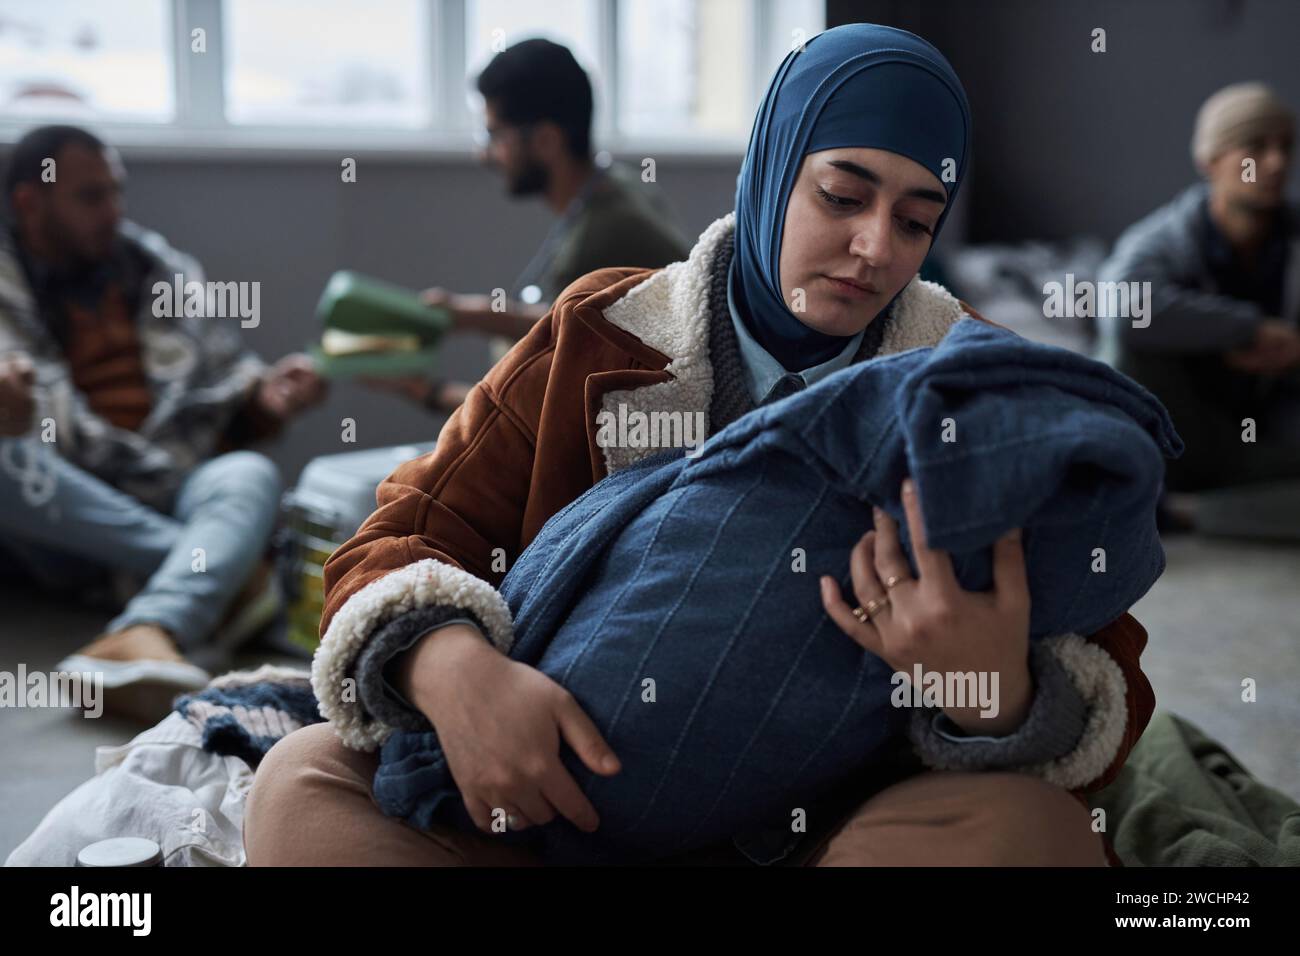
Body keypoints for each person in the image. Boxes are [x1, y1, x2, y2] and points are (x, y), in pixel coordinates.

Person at [245, 24, 1154, 867]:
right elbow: (400, 535)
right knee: (304, 783)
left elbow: (1107, 669)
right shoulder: (599, 330)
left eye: (917, 221)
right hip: (543, 794)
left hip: (819, 832)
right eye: (841, 195)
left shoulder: (978, 387)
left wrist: (993, 695)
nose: (875, 247)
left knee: (1036, 836)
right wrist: (452, 668)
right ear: (769, 168)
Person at [0, 125, 328, 719]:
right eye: (90, 197)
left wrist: (268, 400)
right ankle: (231, 571)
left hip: (173, 482)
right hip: (68, 513)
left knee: (247, 474)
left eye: (116, 192)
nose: (113, 211)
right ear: (30, 200)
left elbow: (227, 393)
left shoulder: (159, 270)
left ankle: (147, 626)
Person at [369, 38, 691, 413]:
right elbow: (567, 322)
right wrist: (463, 315)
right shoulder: (614, 191)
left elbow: (544, 417)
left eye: (495, 135)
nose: (483, 153)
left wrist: (427, 391)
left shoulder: (602, 238)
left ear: (546, 140)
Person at [1097, 83, 1300, 509]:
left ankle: (1209, 506)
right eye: (1255, 146)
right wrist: (1244, 331)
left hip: (1271, 435)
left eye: (1285, 146)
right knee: (1127, 351)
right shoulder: (1165, 238)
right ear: (1210, 160)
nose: (1277, 162)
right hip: (1184, 430)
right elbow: (1121, 305)